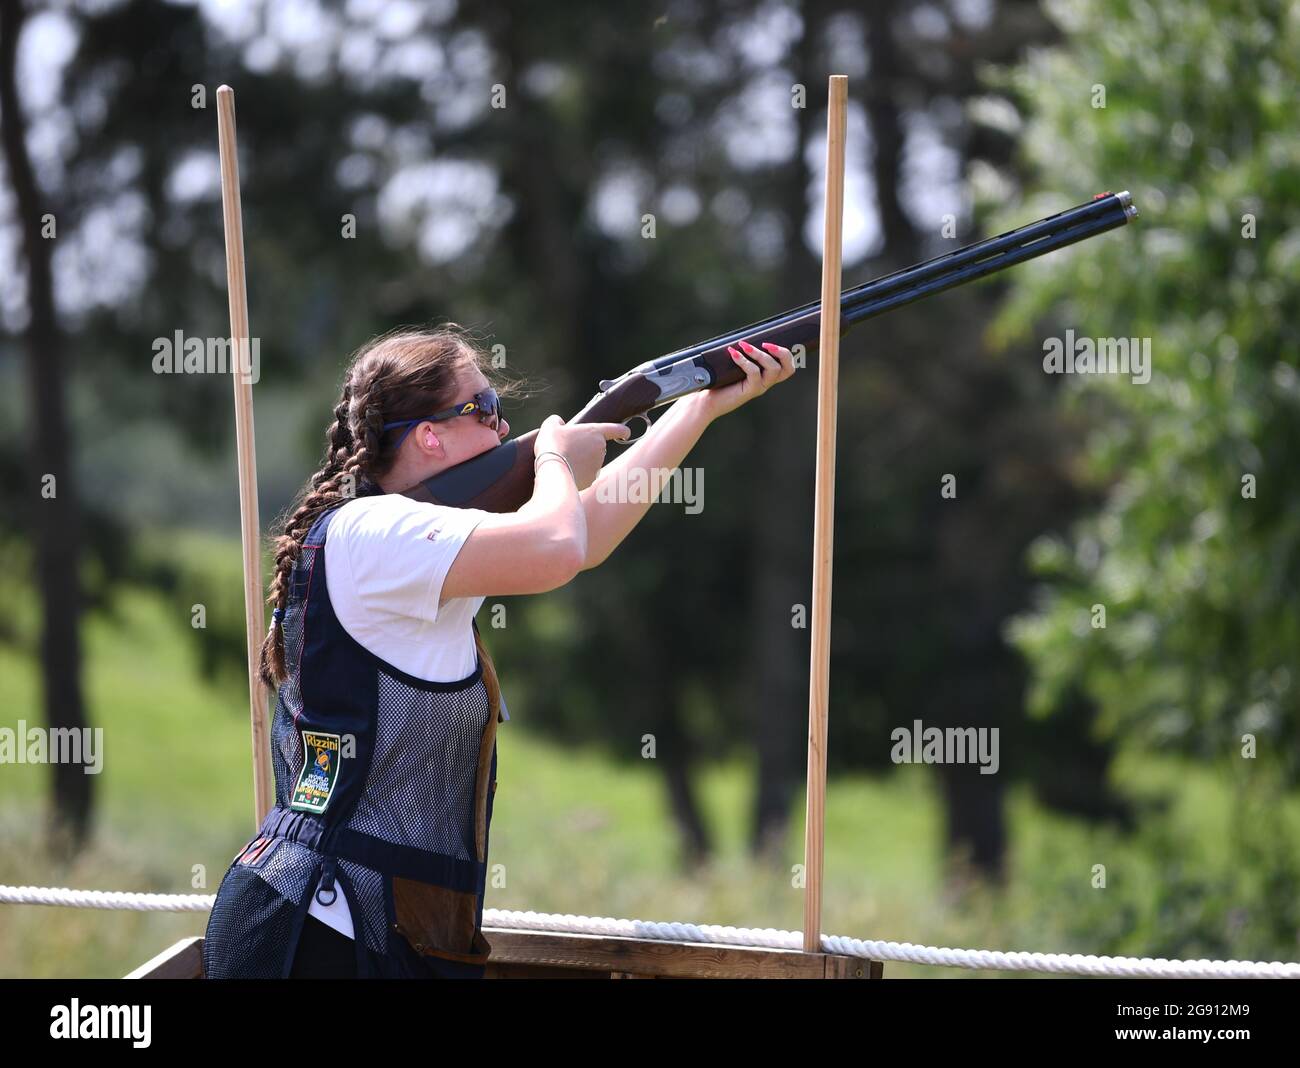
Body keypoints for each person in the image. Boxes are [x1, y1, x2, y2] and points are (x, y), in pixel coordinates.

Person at [201, 324, 795, 978]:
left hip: (354, 920)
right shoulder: (379, 530)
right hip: (325, 929)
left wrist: (697, 406)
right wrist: (554, 463)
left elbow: (584, 537)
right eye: (485, 410)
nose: (504, 428)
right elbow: (558, 548)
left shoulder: (391, 534)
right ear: (430, 436)